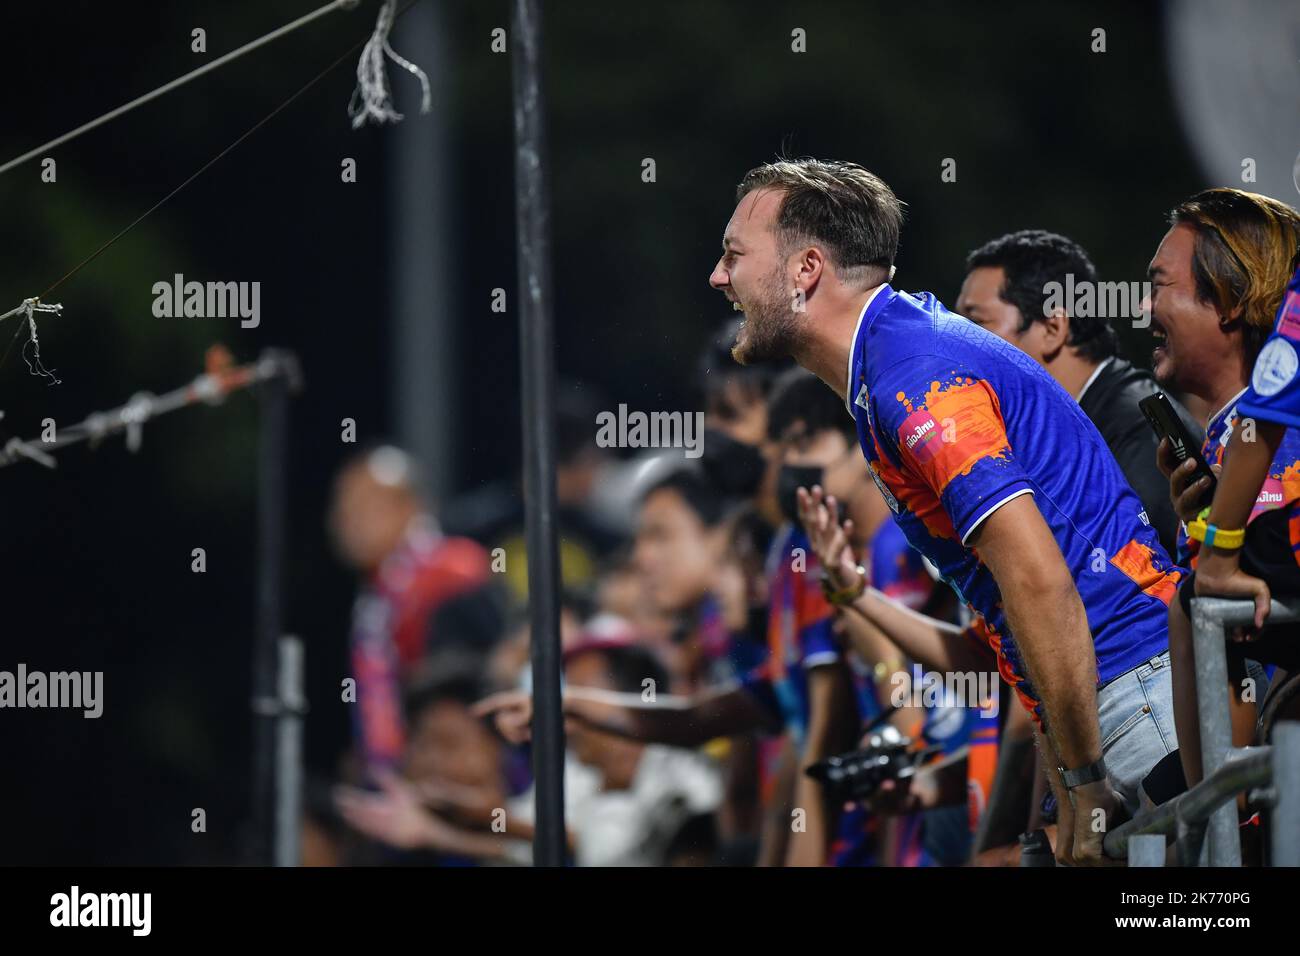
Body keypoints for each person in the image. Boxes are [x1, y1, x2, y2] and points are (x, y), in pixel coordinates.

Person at [709, 156, 1183, 865]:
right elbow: (1006, 620)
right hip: (1110, 700)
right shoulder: (889, 365)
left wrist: (1081, 778)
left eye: (733, 255)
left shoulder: (912, 373)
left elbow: (1037, 577)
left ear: (807, 268)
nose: (720, 278)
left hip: (1133, 696)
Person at [1142, 189, 1300, 788]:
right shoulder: (1227, 441)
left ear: (1230, 302)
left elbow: (1219, 604)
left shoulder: (1263, 432)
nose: (1143, 304)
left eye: (1159, 284)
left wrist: (1216, 543)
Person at [958, 229, 1201, 556]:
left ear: (1052, 329)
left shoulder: (1136, 425)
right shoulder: (1060, 424)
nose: (955, 347)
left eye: (974, 325)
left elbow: (1141, 578)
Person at [329, 446, 504, 781]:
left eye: (364, 507)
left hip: (455, 774)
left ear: (410, 507)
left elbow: (480, 680)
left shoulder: (455, 569)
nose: (345, 522)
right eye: (342, 507)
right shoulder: (378, 592)